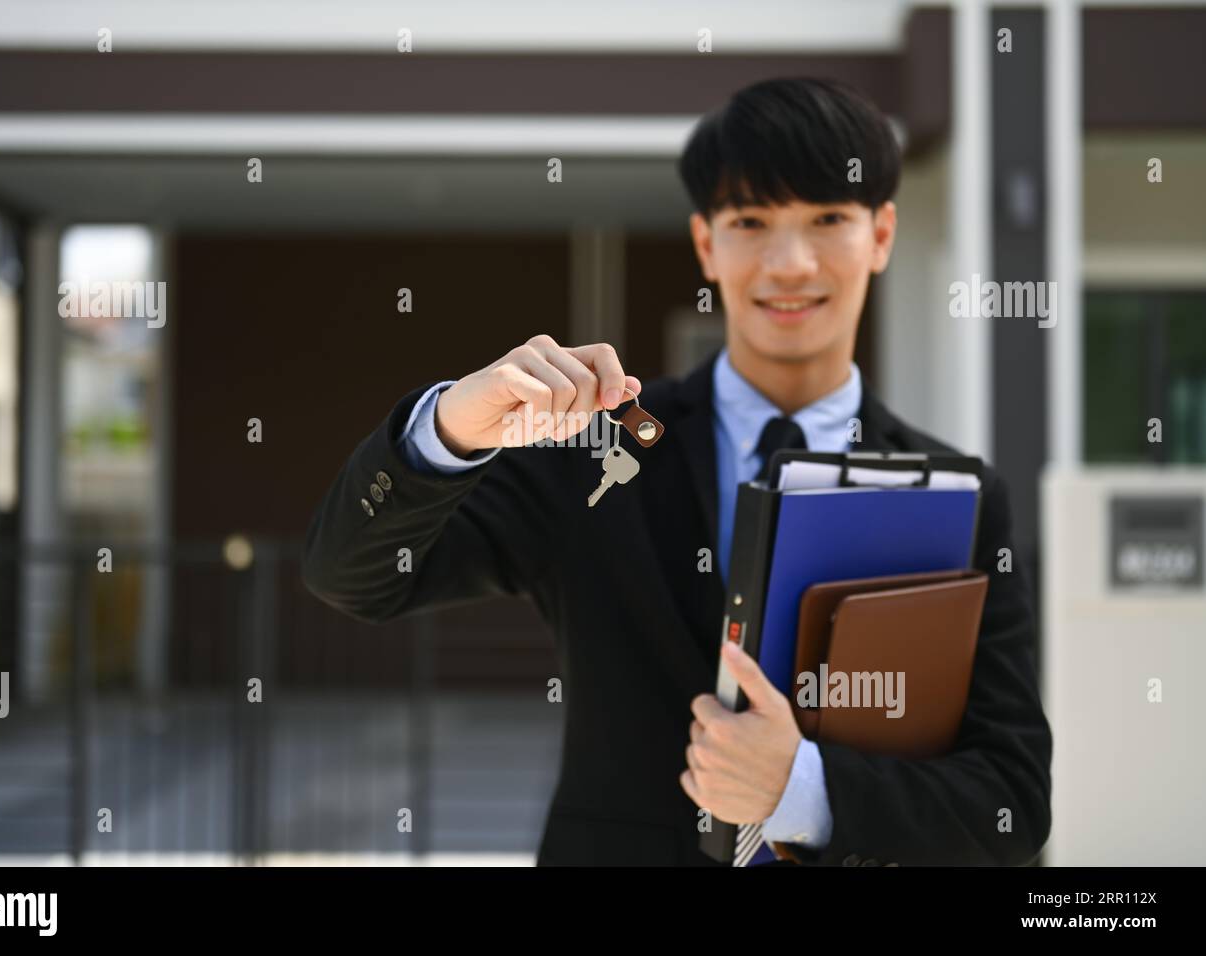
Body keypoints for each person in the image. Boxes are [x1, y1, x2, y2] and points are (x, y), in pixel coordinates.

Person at [302, 76, 1052, 866]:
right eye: (752, 221)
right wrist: (452, 426)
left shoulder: (960, 498)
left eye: (828, 218)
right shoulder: (596, 446)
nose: (790, 263)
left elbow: (1011, 800)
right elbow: (354, 578)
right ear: (706, 244)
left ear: (882, 233)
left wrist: (802, 790)